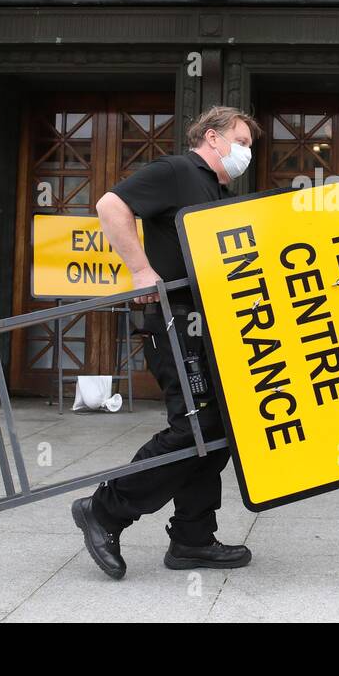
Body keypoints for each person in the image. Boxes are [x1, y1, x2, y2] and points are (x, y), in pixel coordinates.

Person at [70, 106, 261, 579]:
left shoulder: (217, 191)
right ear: (213, 138)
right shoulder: (178, 170)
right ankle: (106, 510)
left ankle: (193, 539)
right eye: (242, 141)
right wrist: (140, 271)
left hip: (207, 326)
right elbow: (111, 205)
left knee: (214, 432)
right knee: (192, 427)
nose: (247, 152)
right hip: (175, 323)